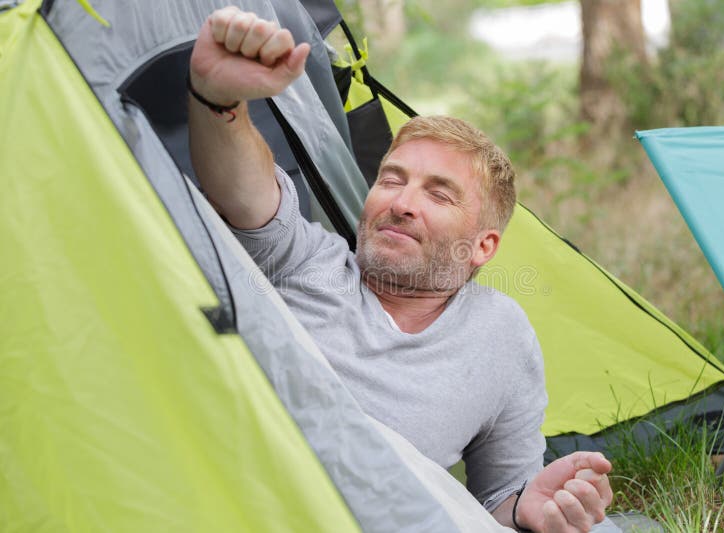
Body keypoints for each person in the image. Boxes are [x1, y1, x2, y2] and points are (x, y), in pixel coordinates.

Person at [188, 7, 614, 532]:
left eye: (439, 194)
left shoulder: (502, 336)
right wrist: (220, 103)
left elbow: (498, 498)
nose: (402, 203)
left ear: (483, 246)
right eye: (391, 180)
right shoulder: (301, 262)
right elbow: (245, 191)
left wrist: (526, 508)